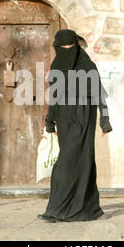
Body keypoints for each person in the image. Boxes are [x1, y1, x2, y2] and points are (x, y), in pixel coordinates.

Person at [38, 29, 113, 222]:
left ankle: (56, 209)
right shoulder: (57, 65)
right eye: (62, 48)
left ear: (77, 47)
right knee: (73, 161)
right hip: (64, 119)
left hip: (83, 118)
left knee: (71, 161)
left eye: (70, 47)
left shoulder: (87, 66)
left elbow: (99, 93)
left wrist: (105, 121)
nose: (67, 51)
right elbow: (53, 96)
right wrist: (50, 121)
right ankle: (84, 209)